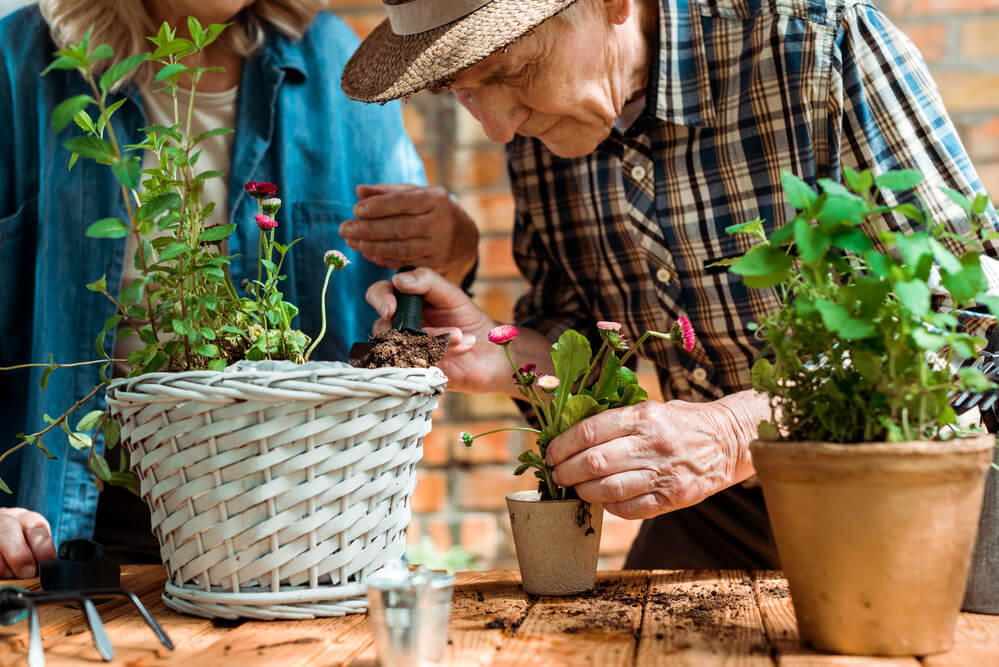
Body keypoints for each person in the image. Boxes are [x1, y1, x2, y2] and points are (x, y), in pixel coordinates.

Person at [344, 0, 998, 569]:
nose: (497, 126)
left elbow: (971, 315)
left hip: (921, 472)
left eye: (511, 72)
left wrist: (735, 432)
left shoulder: (821, 42)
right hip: (726, 508)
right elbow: (586, 347)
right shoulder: (543, 128)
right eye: (462, 90)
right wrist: (500, 355)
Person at [0, 0, 477, 578]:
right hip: (66, 538)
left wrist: (455, 253)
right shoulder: (19, 61)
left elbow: (411, 326)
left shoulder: (336, 59)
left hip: (302, 535)